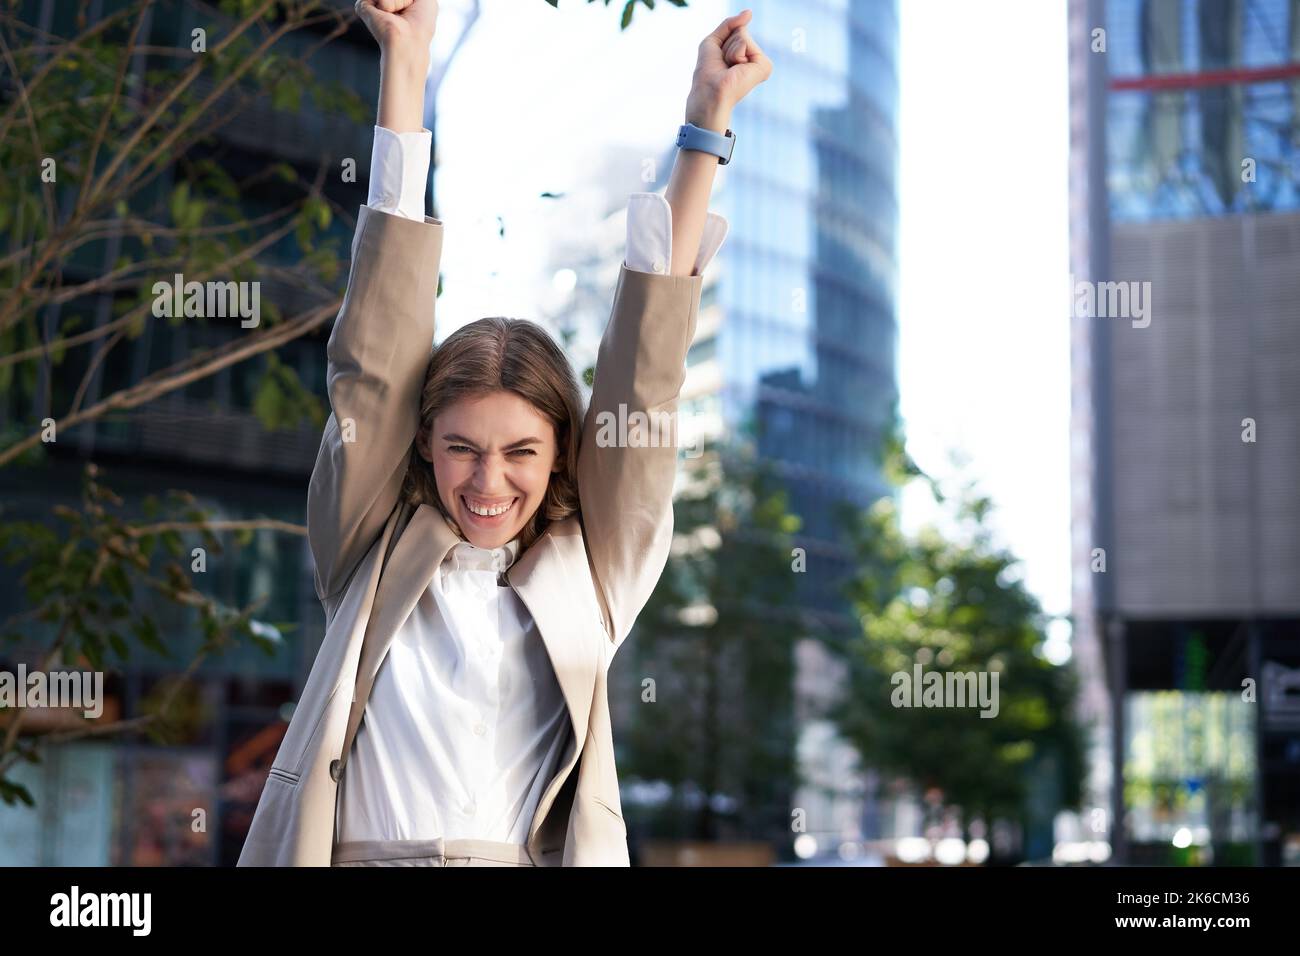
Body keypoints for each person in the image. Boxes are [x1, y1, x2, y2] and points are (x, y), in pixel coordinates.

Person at [236, 0, 772, 867]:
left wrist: (706, 125)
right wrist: (404, 67)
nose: (490, 482)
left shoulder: (592, 574)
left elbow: (645, 378)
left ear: (564, 452)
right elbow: (374, 354)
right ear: (422, 446)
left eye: (522, 451)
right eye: (462, 448)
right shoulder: (372, 546)